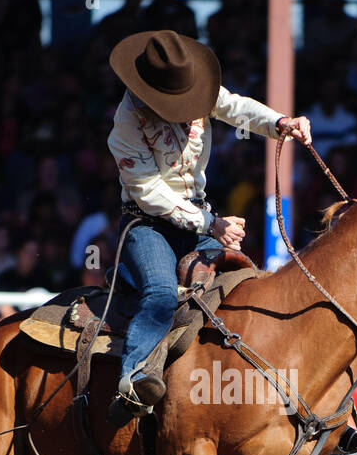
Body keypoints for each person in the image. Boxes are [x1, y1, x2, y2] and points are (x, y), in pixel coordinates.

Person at [105, 29, 312, 424]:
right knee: (162, 294)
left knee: (251, 286)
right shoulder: (126, 123)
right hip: (146, 224)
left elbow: (237, 109)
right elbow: (147, 192)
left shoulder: (199, 92)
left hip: (201, 218)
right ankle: (133, 381)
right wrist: (212, 224)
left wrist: (280, 122)